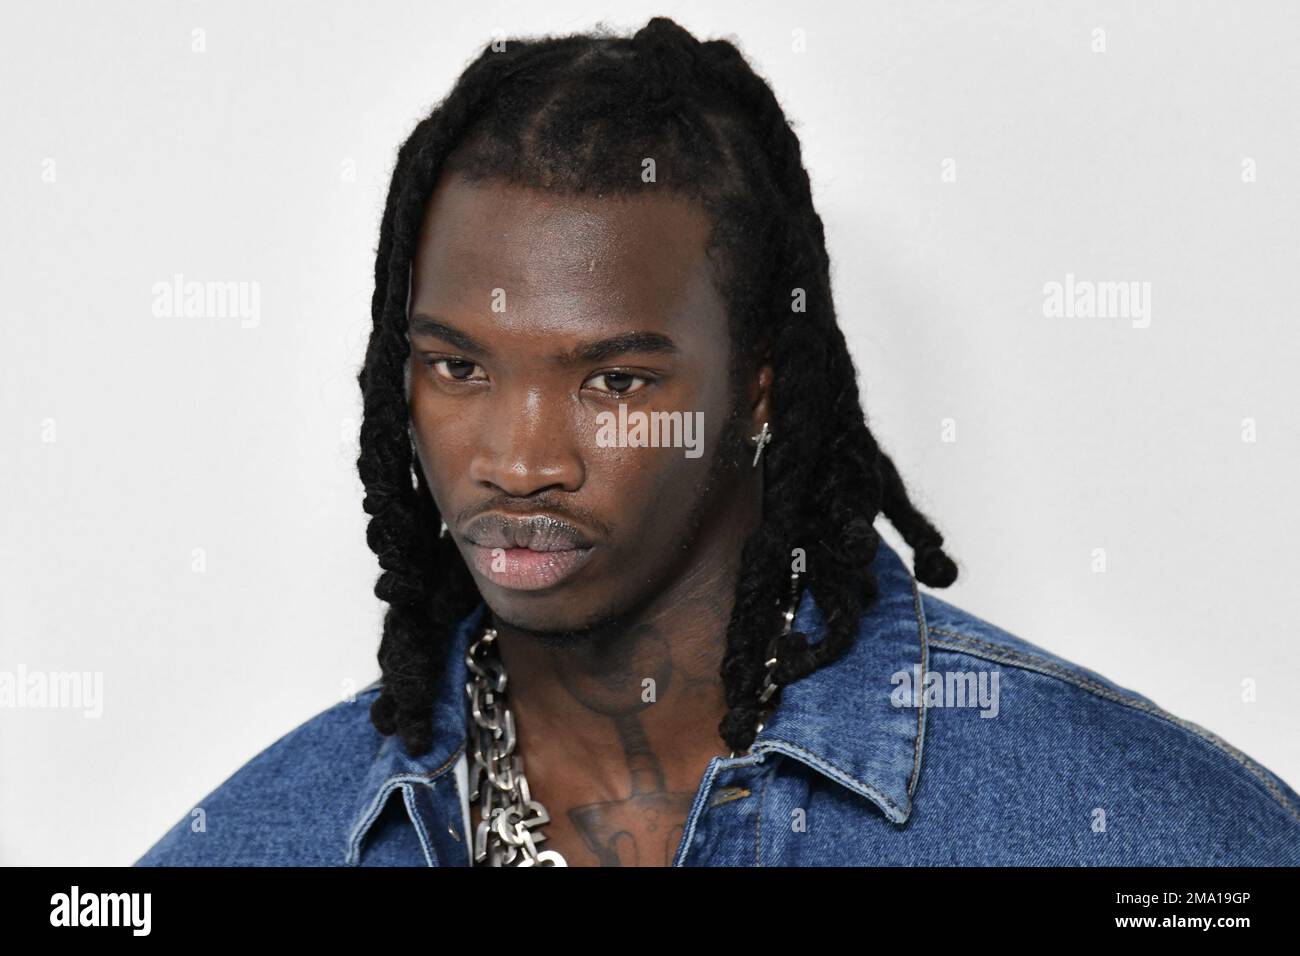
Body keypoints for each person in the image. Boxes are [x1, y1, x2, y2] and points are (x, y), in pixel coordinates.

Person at [136, 16, 1300, 867]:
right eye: (458, 367)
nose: (519, 457)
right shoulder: (250, 842)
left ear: (758, 389)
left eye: (614, 378)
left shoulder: (1135, 829)